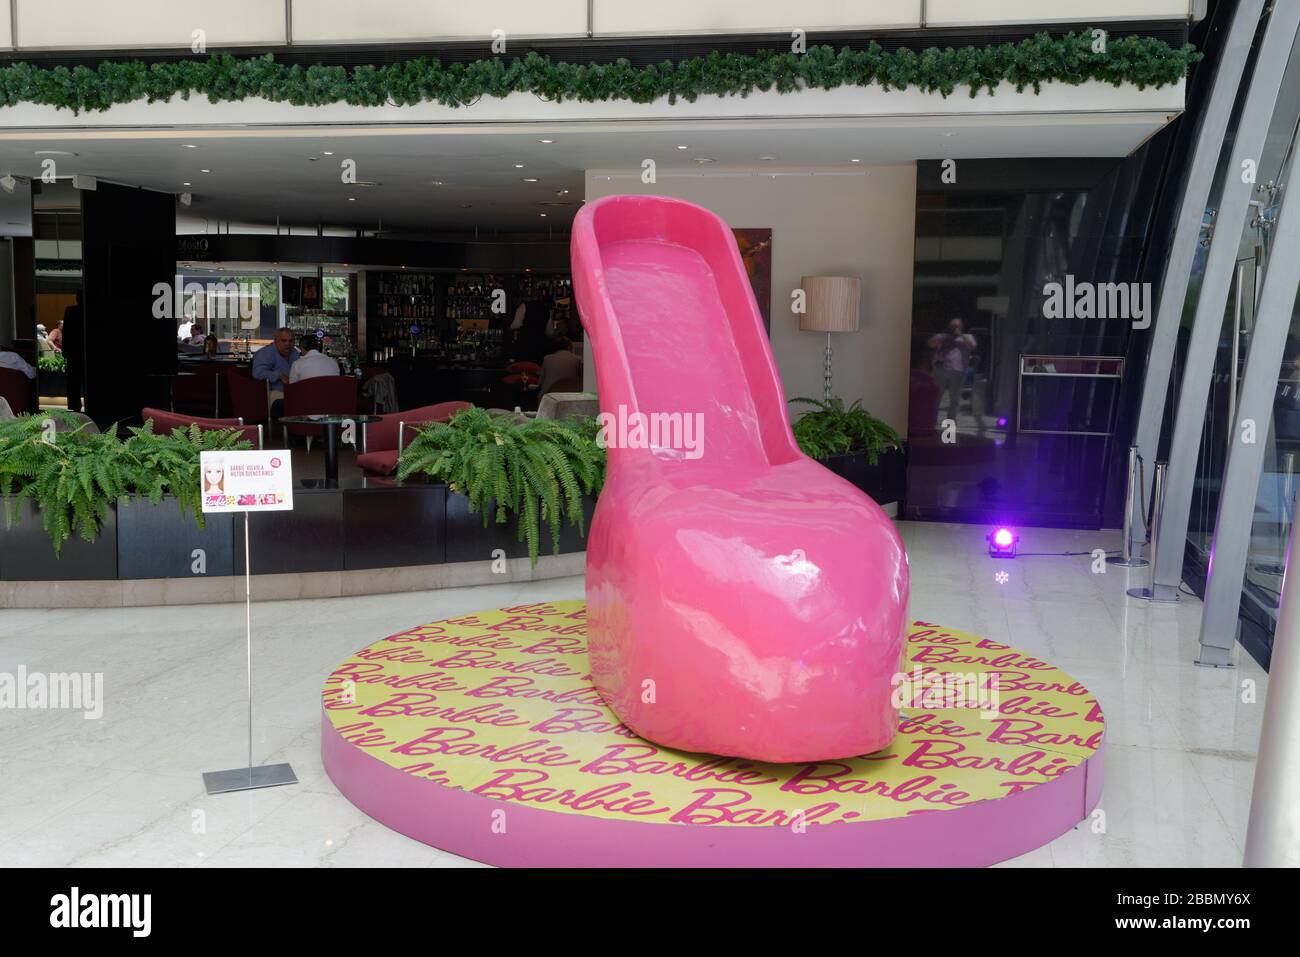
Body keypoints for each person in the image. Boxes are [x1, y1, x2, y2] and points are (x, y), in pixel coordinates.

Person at [927, 318, 976, 426]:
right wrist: (941, 338)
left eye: (957, 326)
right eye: (952, 326)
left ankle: (951, 420)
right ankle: (931, 418)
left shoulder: (967, 337)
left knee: (955, 396)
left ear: (961, 327)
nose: (954, 328)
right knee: (936, 395)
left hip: (957, 370)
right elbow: (930, 344)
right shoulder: (942, 336)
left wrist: (961, 335)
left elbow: (972, 346)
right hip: (940, 368)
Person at [251, 326, 299, 418]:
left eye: (291, 341)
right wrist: (279, 376)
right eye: (284, 340)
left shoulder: (294, 352)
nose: (288, 344)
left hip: (293, 390)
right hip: (273, 391)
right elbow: (257, 373)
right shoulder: (266, 353)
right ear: (276, 341)